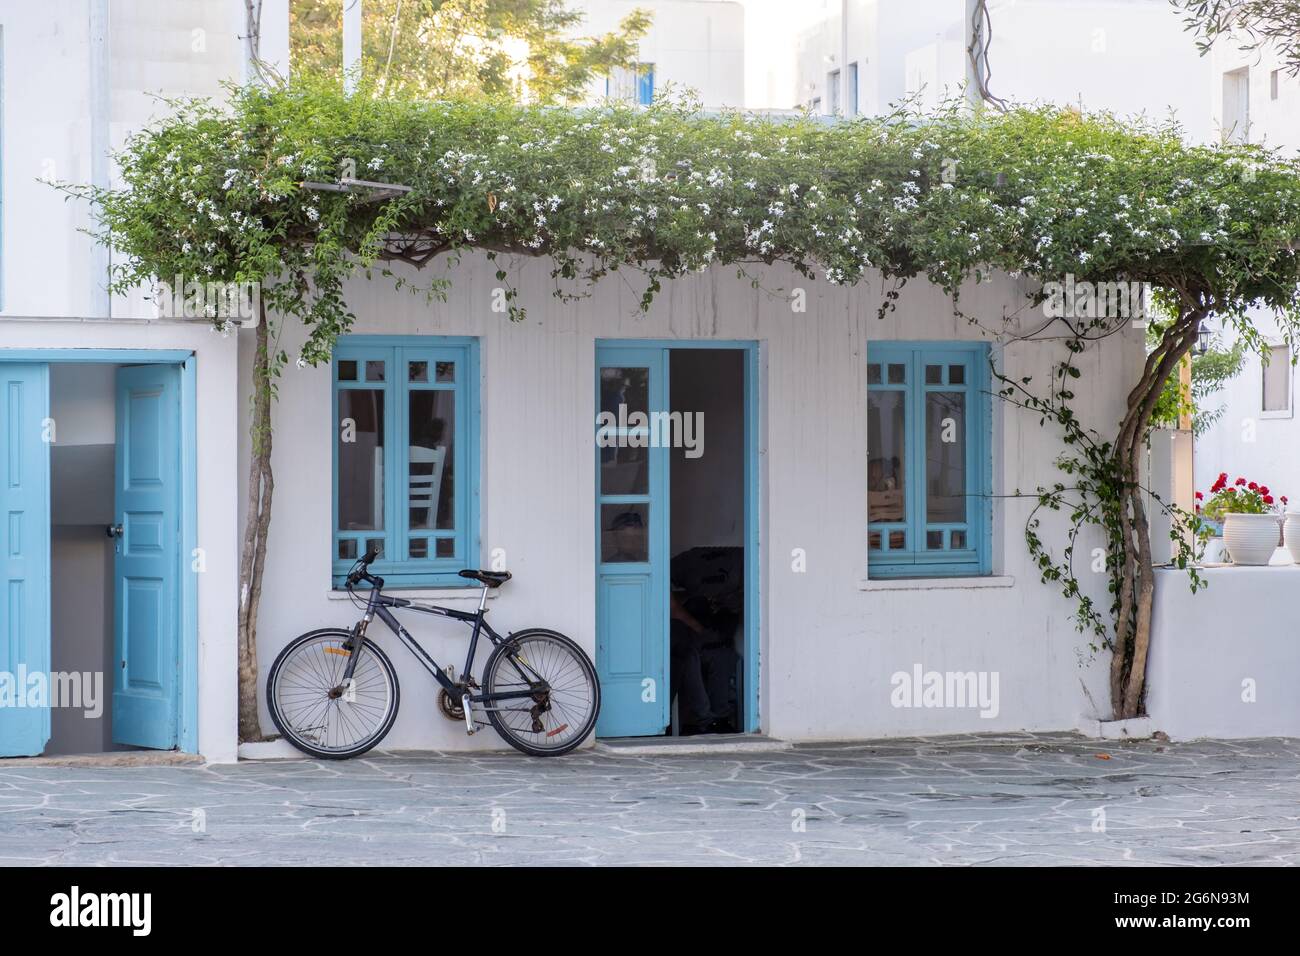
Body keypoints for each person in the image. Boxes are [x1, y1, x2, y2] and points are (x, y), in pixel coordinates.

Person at [670, 590, 736, 734]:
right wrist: (702, 631)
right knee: (689, 657)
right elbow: (674, 610)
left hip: (693, 639)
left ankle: (720, 718)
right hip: (665, 647)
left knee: (721, 655)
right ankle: (706, 720)